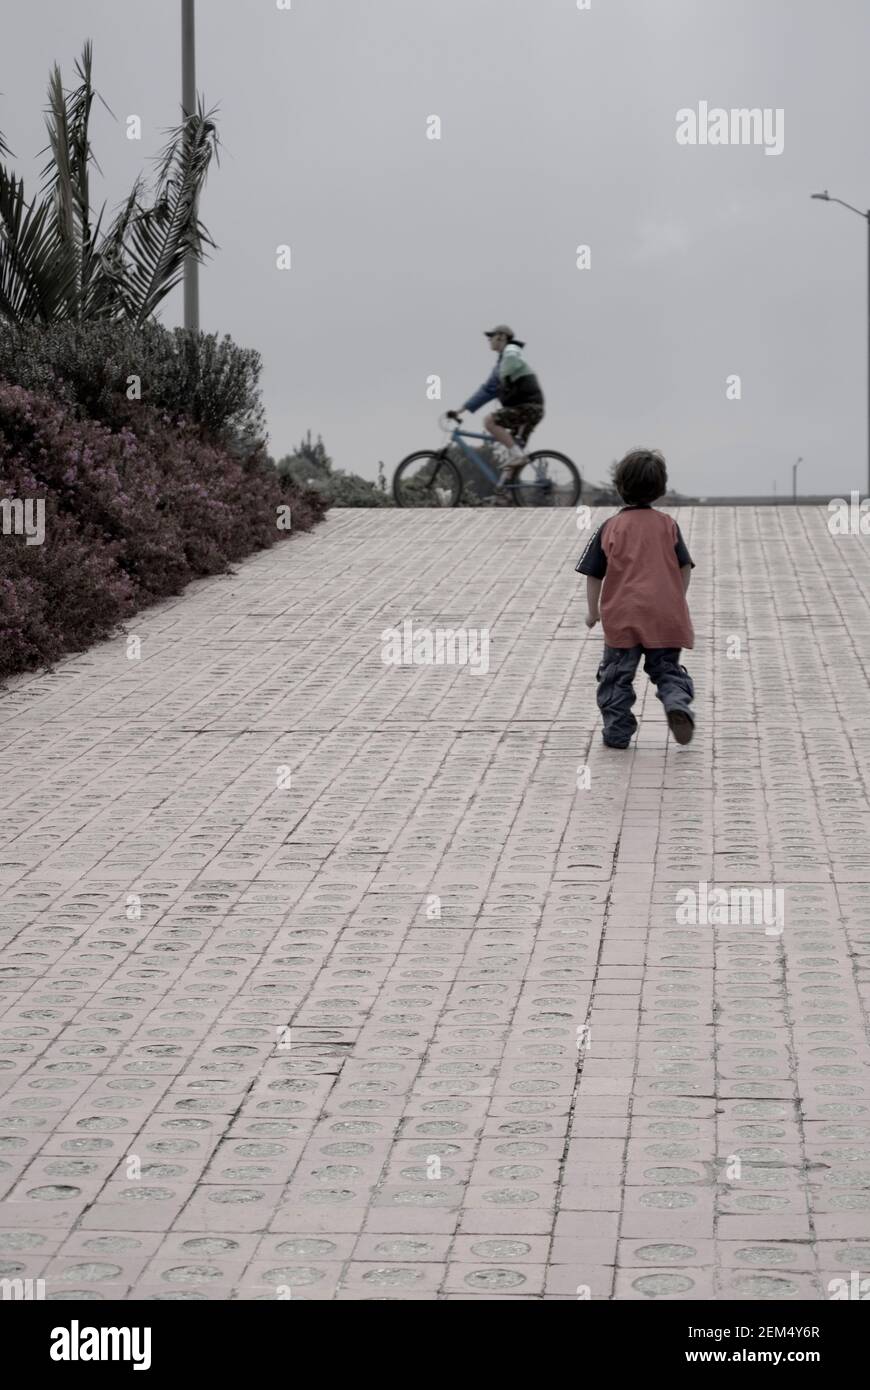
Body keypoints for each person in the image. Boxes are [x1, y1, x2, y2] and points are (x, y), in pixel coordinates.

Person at [575, 448, 696, 748]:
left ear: (619, 486)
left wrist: (593, 613)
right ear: (661, 487)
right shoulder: (668, 525)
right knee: (667, 670)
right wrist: (676, 599)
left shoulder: (610, 527)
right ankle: (677, 702)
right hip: (665, 618)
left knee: (616, 677)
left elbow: (594, 574)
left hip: (623, 617)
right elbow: (684, 566)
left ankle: (617, 731)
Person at [448, 325, 545, 495]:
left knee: (490, 421)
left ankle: (516, 456)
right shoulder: (500, 365)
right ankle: (505, 494)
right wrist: (460, 411)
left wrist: (505, 374)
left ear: (501, 337)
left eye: (491, 336)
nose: (489, 340)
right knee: (514, 453)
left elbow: (513, 359)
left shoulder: (511, 350)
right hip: (531, 408)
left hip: (529, 407)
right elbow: (486, 391)